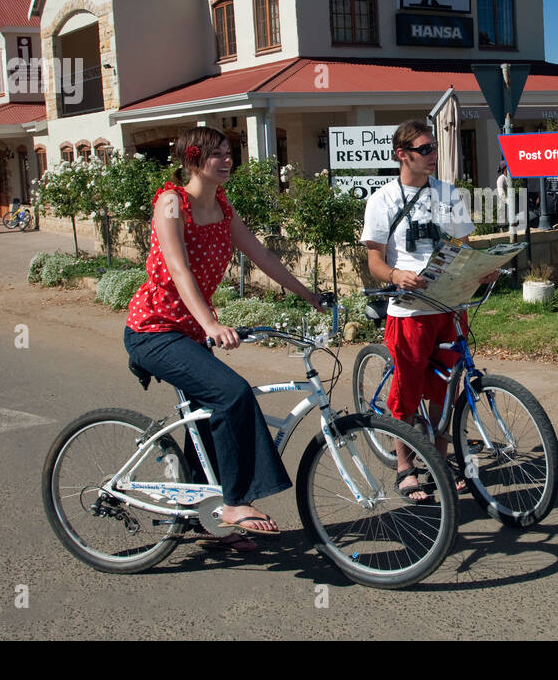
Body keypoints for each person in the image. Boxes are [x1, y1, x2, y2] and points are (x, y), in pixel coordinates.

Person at [123, 126, 320, 547]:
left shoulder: (223, 209)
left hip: (189, 332)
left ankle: (208, 517)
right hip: (153, 331)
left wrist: (308, 294)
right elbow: (179, 270)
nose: (228, 160)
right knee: (232, 394)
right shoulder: (172, 203)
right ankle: (235, 501)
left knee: (212, 417)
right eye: (218, 154)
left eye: (231, 153)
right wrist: (212, 325)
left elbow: (262, 255)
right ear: (194, 158)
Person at [360, 120, 498, 500]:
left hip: (450, 306)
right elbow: (374, 260)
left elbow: (463, 246)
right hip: (410, 310)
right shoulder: (382, 200)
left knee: (445, 391)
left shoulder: (448, 194)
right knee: (407, 390)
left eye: (434, 148)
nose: (433, 155)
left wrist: (481, 269)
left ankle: (439, 462)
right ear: (402, 154)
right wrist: (395, 274)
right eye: (425, 150)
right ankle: (405, 466)